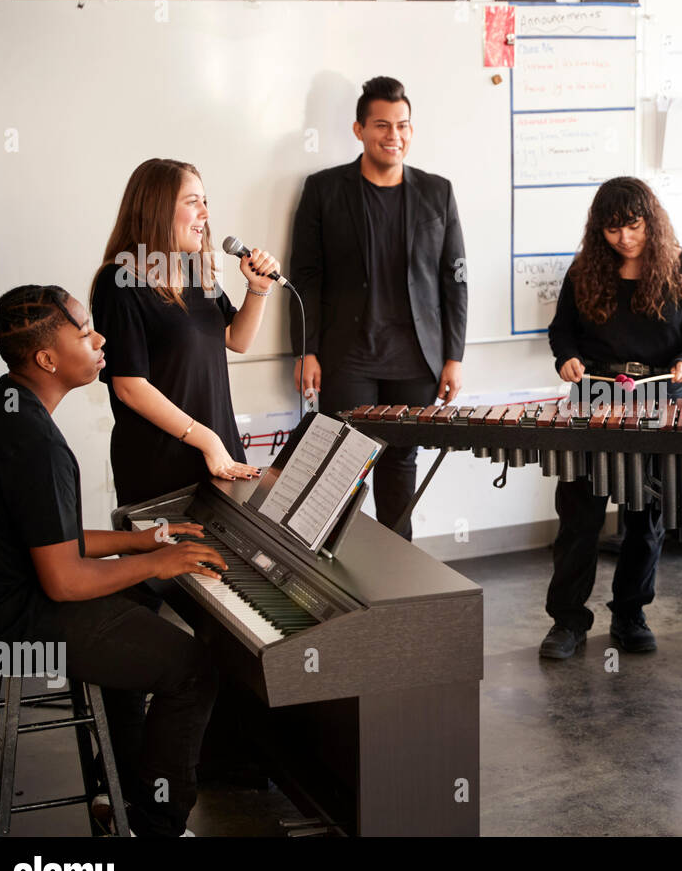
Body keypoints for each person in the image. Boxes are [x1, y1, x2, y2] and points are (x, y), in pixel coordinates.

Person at [0, 285, 223, 836]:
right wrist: (160, 563)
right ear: (47, 358)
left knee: (135, 608)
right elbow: (63, 580)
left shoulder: (1, 406)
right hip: (8, 621)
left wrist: (143, 541)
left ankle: (123, 798)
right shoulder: (35, 441)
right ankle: (159, 825)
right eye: (85, 332)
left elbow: (49, 539)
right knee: (193, 668)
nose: (101, 338)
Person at [540, 177, 682, 660]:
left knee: (646, 519)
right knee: (579, 519)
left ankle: (629, 614)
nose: (623, 238)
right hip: (595, 399)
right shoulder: (585, 272)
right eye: (612, 229)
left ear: (651, 222)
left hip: (660, 398)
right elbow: (562, 332)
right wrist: (567, 359)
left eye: (633, 227)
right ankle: (568, 621)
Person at [290, 75, 468, 540]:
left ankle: (397, 573)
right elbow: (305, 276)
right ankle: (329, 565)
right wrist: (305, 350)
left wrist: (454, 356)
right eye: (383, 126)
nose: (395, 136)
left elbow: (455, 278)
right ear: (359, 130)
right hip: (347, 356)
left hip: (416, 359)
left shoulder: (437, 192)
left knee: (401, 463)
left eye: (403, 125)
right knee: (340, 463)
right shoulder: (324, 190)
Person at [91, 157, 277, 507]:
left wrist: (259, 288)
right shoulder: (119, 281)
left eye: (205, 202)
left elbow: (236, 339)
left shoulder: (196, 270)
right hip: (162, 463)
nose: (205, 214)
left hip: (219, 452)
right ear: (156, 208)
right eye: (193, 202)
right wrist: (206, 440)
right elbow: (129, 386)